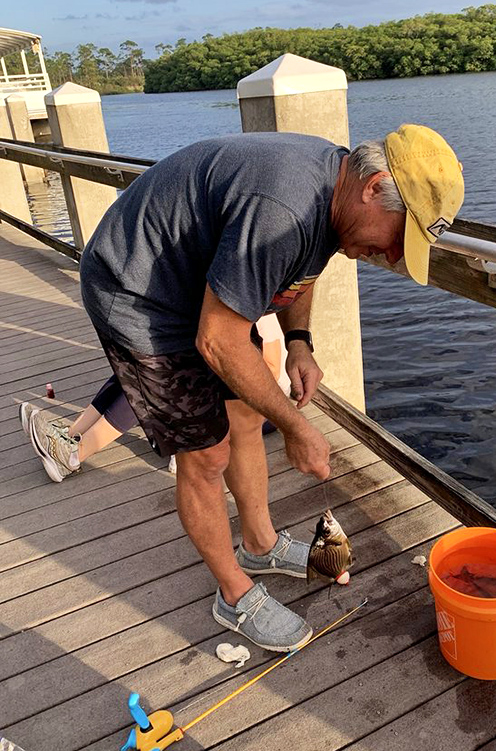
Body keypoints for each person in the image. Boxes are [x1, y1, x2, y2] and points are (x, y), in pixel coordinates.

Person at [30, 124, 464, 652]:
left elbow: (303, 267)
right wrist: (297, 426)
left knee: (243, 418)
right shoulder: (283, 205)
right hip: (138, 290)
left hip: (201, 286)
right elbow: (218, 339)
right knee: (206, 454)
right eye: (399, 237)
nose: (394, 255)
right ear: (374, 187)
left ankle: (259, 544)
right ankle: (233, 594)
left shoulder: (336, 190)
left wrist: (300, 342)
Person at [23, 319, 289, 482]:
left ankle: (72, 457)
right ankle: (71, 436)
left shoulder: (260, 308)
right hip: (228, 395)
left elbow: (270, 371)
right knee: (135, 372)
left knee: (157, 382)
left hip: (259, 410)